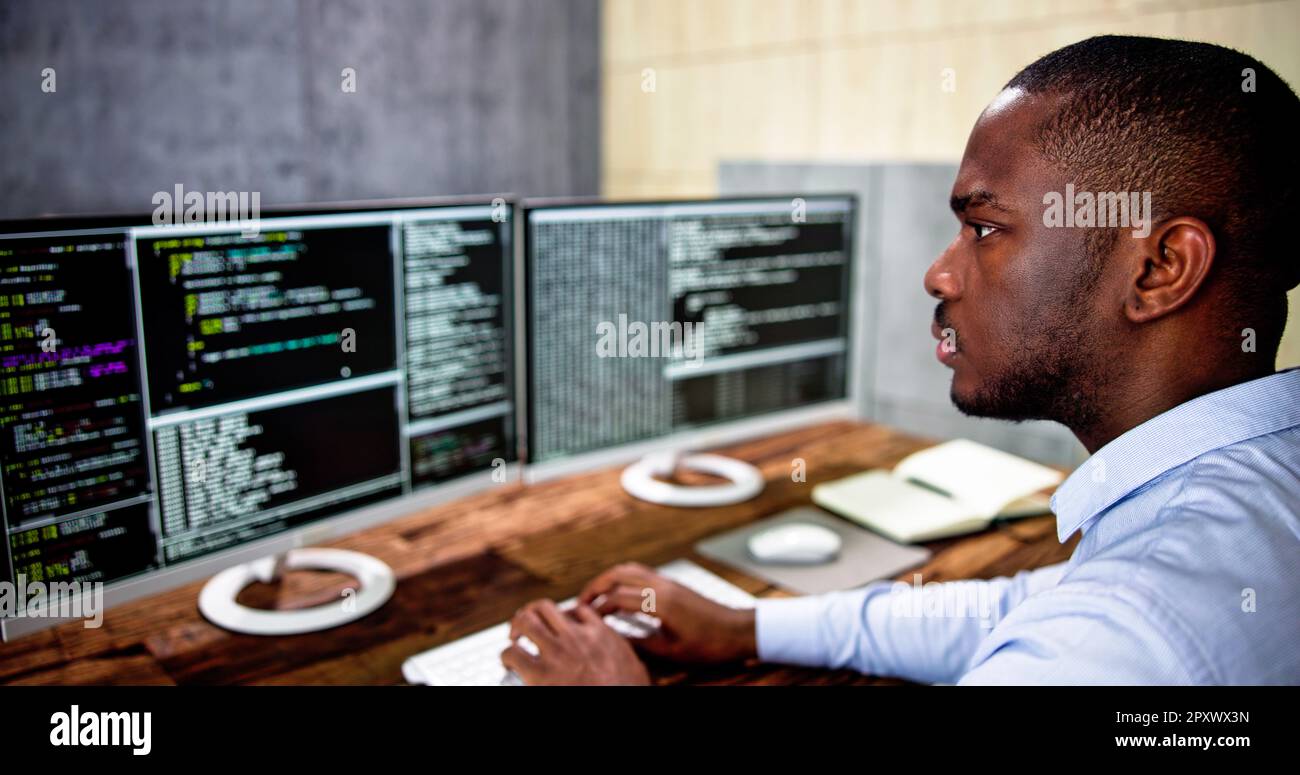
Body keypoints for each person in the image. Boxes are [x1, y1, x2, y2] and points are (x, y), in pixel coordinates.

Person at [500, 36, 1300, 685]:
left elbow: (1086, 629)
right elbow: (1026, 608)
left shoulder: (1125, 640)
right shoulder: (1244, 497)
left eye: (984, 228)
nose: (940, 273)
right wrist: (745, 624)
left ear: (1161, 268)